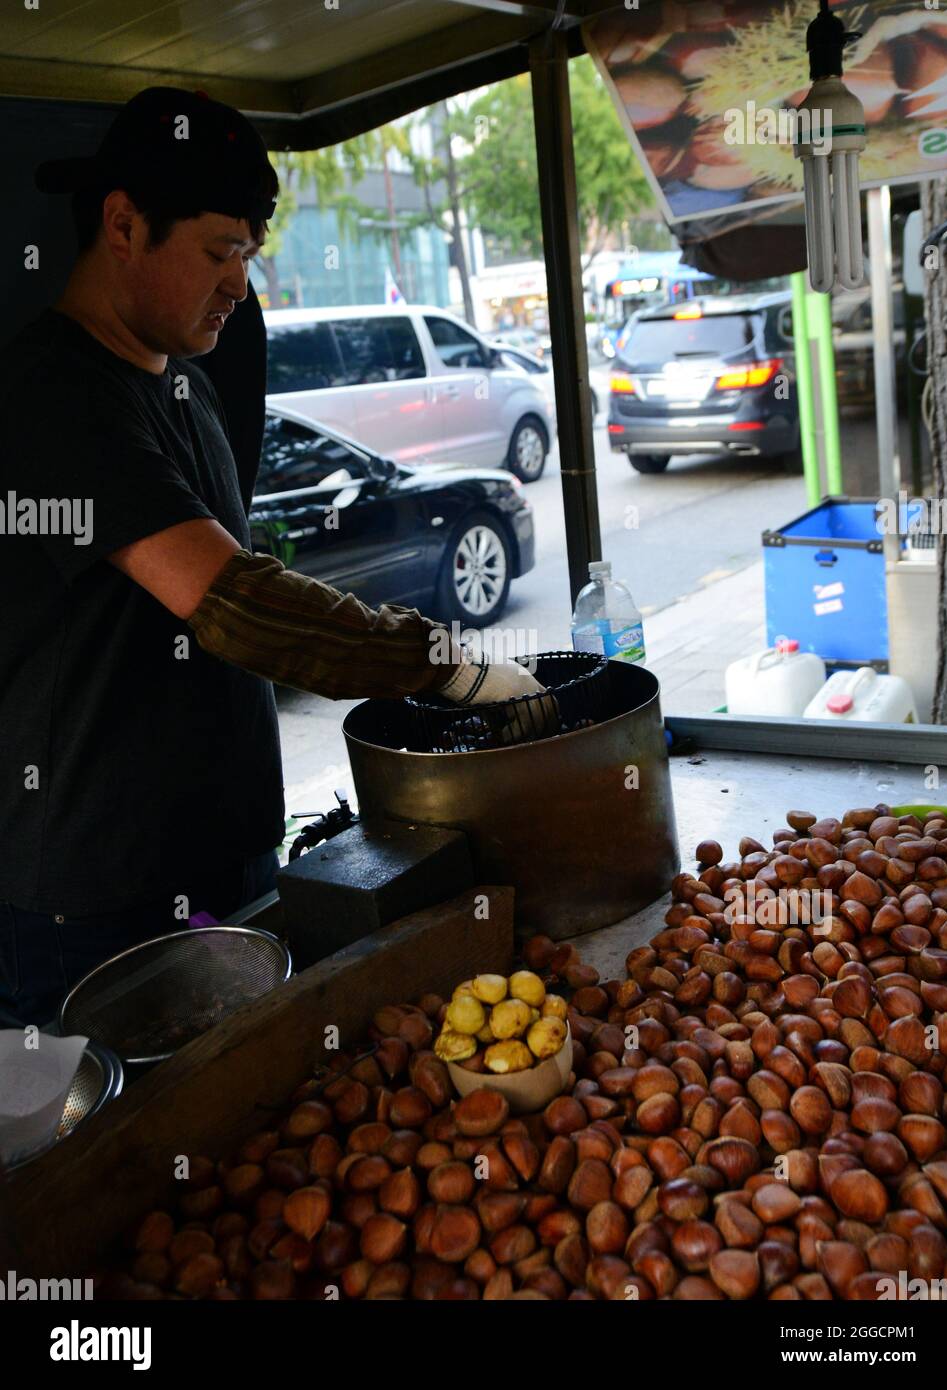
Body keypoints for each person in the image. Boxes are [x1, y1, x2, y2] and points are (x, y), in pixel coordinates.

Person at [0, 87, 545, 1027]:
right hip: (90, 899)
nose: (240, 286)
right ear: (122, 224)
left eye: (249, 256)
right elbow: (239, 605)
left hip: (222, 859)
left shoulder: (184, 384)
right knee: (101, 1158)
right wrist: (449, 666)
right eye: (220, 252)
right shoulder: (52, 398)